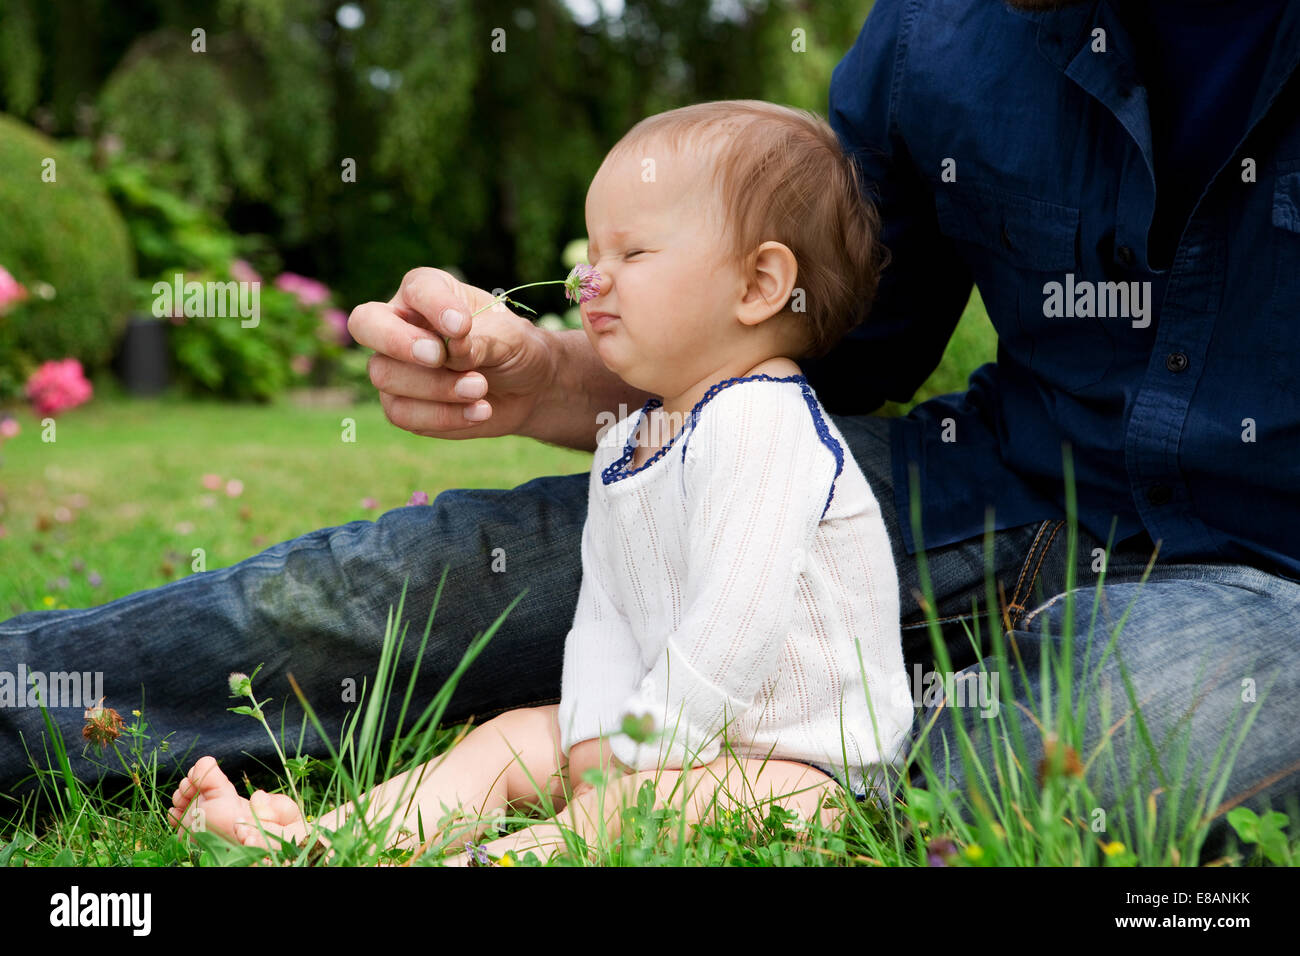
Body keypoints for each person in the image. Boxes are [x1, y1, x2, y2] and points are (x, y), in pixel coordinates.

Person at [4, 0, 1298, 859]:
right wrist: (549, 380)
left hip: (1270, 569)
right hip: (996, 485)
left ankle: (777, 793)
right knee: (422, 580)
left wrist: (647, 746)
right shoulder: (941, 35)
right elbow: (817, 336)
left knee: (1117, 740)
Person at [166, 100, 916, 863]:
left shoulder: (764, 422)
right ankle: (317, 841)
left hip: (806, 770)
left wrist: (641, 749)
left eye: (632, 254)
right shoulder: (630, 440)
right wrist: (594, 732)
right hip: (666, 736)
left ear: (760, 283)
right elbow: (606, 618)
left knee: (630, 806)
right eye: (591, 254)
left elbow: (736, 621)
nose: (589, 279)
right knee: (510, 740)